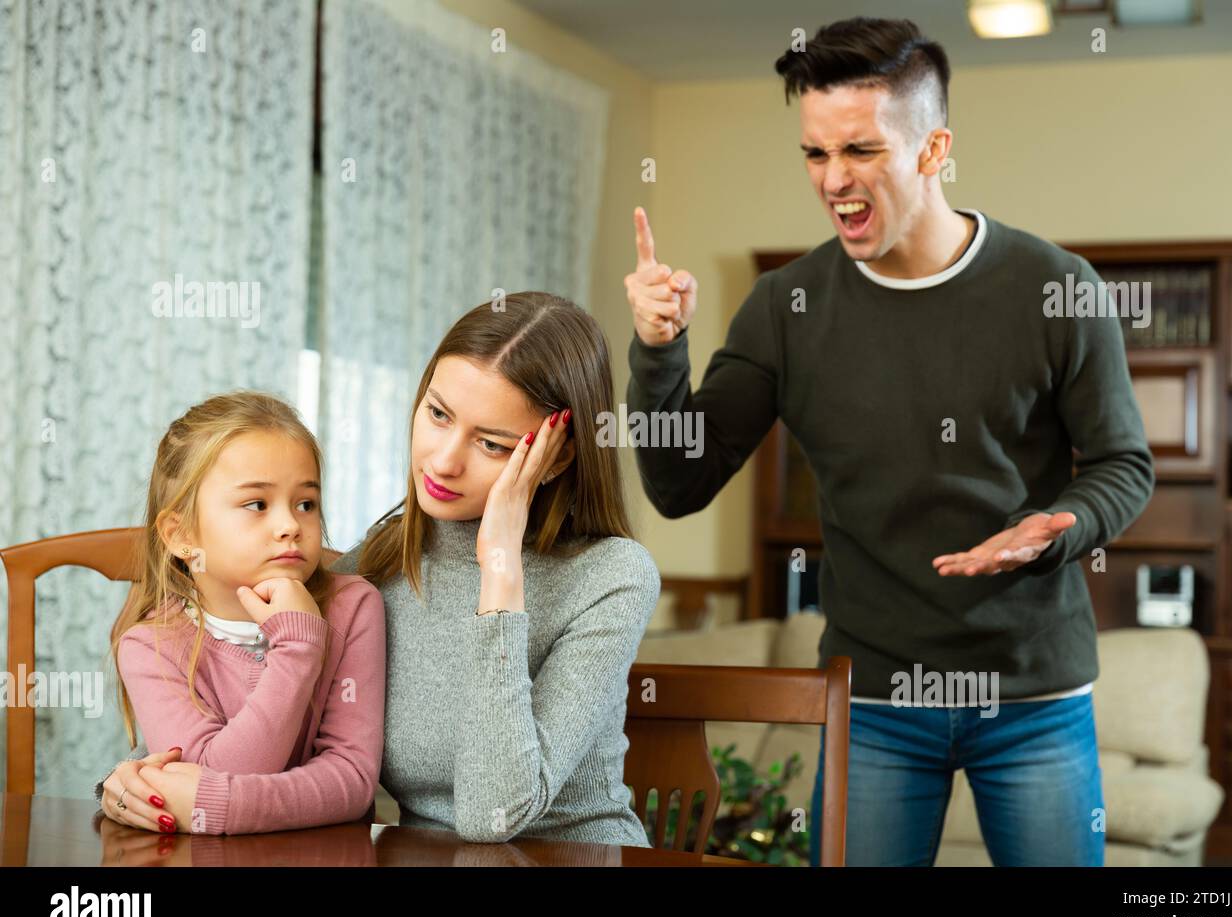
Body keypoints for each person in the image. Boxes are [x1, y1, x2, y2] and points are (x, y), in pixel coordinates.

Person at [623, 17, 1154, 866]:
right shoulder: (784, 308)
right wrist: (658, 352)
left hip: (1035, 693)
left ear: (934, 148)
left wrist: (1062, 527)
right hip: (871, 703)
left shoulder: (1057, 288)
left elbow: (1124, 465)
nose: (834, 180)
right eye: (814, 154)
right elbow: (678, 484)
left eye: (862, 151)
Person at [99, 292, 660, 847]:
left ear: (555, 456)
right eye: (438, 414)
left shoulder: (611, 577)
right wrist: (134, 786)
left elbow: (494, 814)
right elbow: (221, 702)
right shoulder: (378, 565)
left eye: (491, 443)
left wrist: (499, 569)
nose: (443, 460)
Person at [95, 391, 386, 835]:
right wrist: (298, 647)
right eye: (257, 505)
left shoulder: (353, 607)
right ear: (181, 535)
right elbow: (218, 770)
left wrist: (224, 803)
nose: (290, 525)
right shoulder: (150, 645)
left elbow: (351, 780)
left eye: (305, 503)